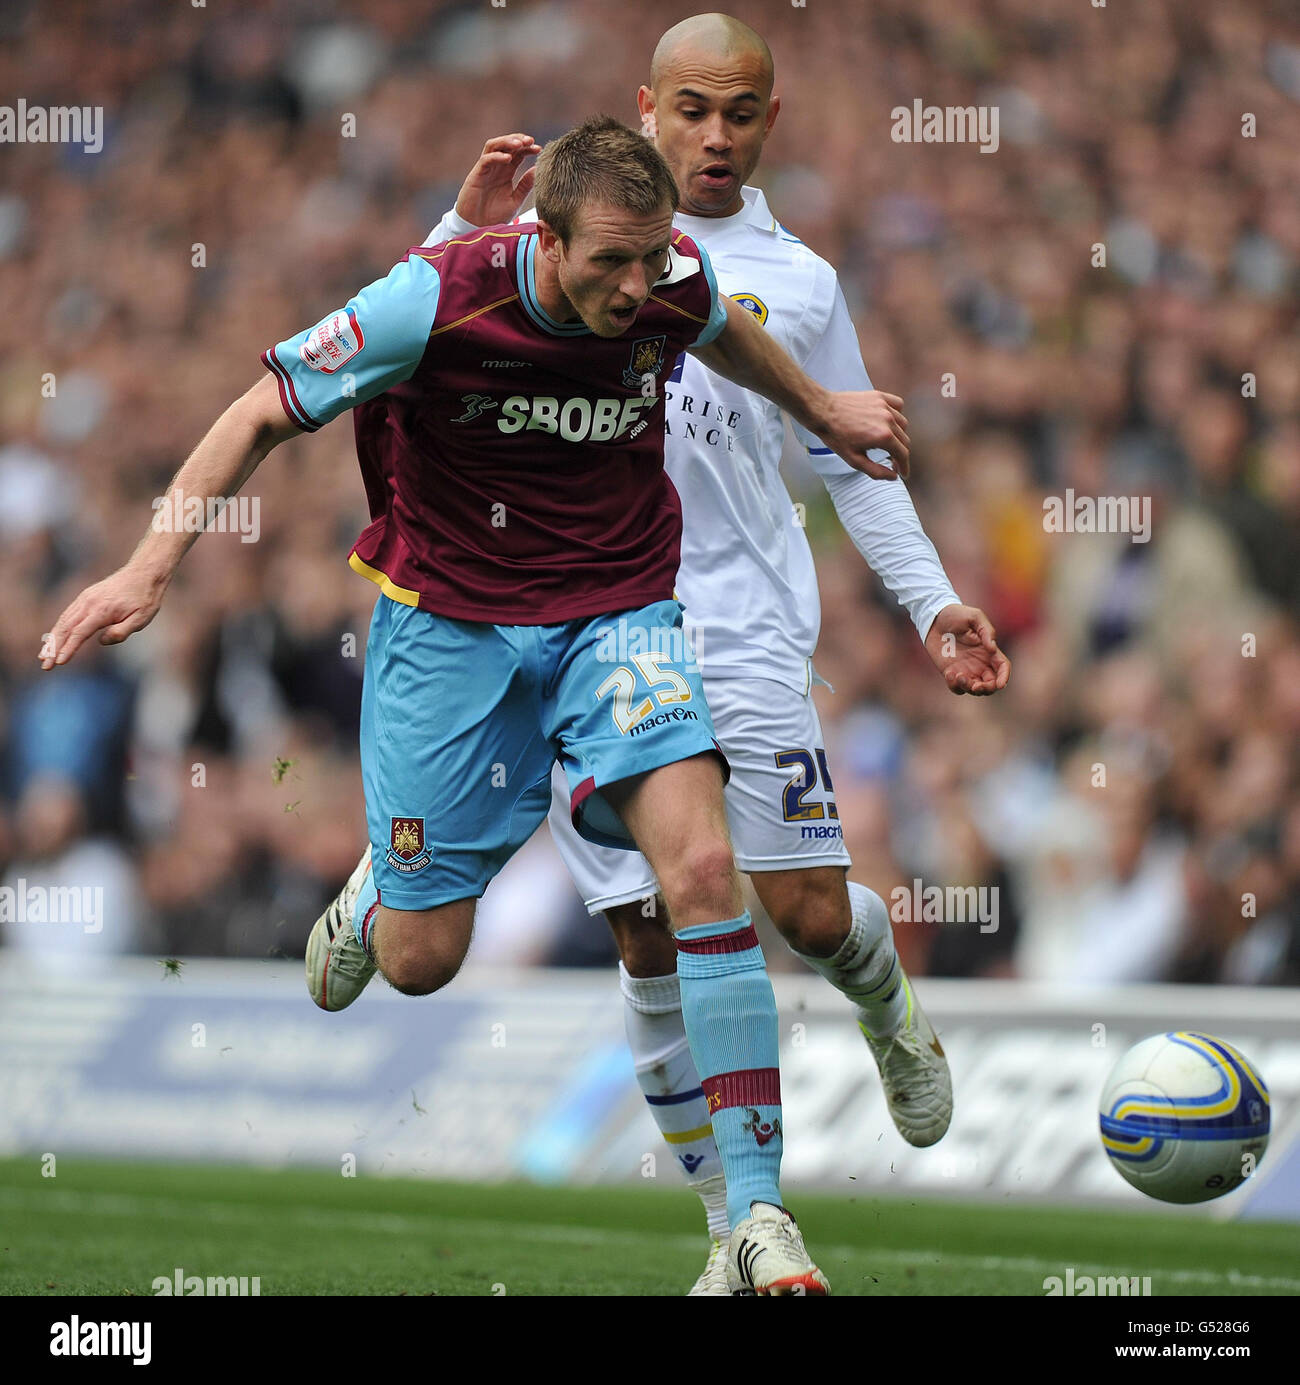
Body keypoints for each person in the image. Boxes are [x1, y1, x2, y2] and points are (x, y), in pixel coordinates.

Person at [40, 115, 911, 1296]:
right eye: (605, 261)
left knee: (703, 876)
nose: (632, 286)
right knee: (421, 960)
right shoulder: (429, 302)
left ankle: (760, 1218)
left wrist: (825, 411)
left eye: (648, 258)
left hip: (619, 617)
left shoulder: (665, 280)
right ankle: (385, 885)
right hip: (450, 631)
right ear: (540, 239)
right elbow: (256, 412)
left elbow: (723, 333)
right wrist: (150, 565)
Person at [409, 13, 1012, 1294]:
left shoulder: (799, 281)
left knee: (795, 908)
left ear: (771, 122)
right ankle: (730, 1229)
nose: (716, 136)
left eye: (740, 113)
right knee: (649, 934)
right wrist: (453, 229)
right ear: (645, 107)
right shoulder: (560, 244)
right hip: (592, 627)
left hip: (740, 631)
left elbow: (860, 459)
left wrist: (933, 603)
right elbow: (429, 331)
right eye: (691, 109)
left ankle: (885, 1002)